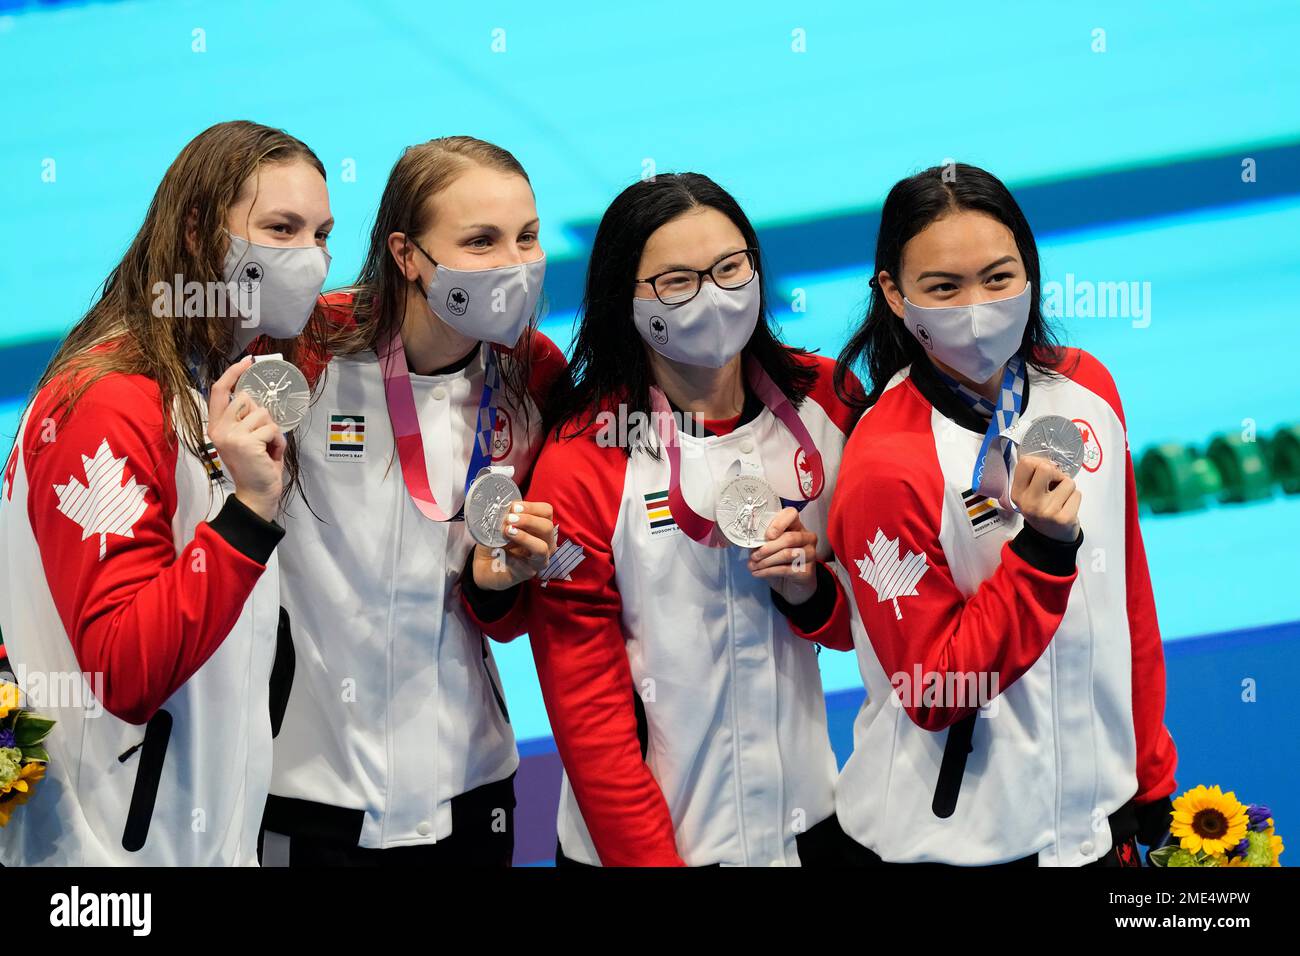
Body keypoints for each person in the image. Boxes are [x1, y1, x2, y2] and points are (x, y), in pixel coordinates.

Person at [0, 120, 332, 864]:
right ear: (195, 234)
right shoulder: (106, 404)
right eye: (281, 229)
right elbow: (121, 668)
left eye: (321, 234)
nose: (310, 260)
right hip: (103, 867)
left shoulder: (204, 372)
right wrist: (247, 514)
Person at [827, 162, 1177, 866]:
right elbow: (933, 688)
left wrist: (1148, 772)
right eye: (943, 288)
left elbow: (1127, 597)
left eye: (998, 277)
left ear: (1030, 271)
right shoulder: (885, 465)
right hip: (953, 843)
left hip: (1092, 823)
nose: (978, 307)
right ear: (894, 294)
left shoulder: (1087, 389)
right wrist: (1044, 557)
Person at [526, 173, 860, 867]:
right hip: (651, 846)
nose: (714, 295)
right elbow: (587, 707)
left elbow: (868, 619)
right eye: (676, 281)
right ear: (625, 300)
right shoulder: (584, 456)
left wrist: (812, 593)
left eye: (731, 268)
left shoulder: (827, 400)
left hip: (808, 823)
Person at [260, 136, 563, 866]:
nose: (515, 264)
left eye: (527, 236)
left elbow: (547, 580)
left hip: (472, 782)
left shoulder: (535, 375)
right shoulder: (304, 348)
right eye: (480, 242)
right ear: (406, 255)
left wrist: (503, 587)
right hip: (308, 787)